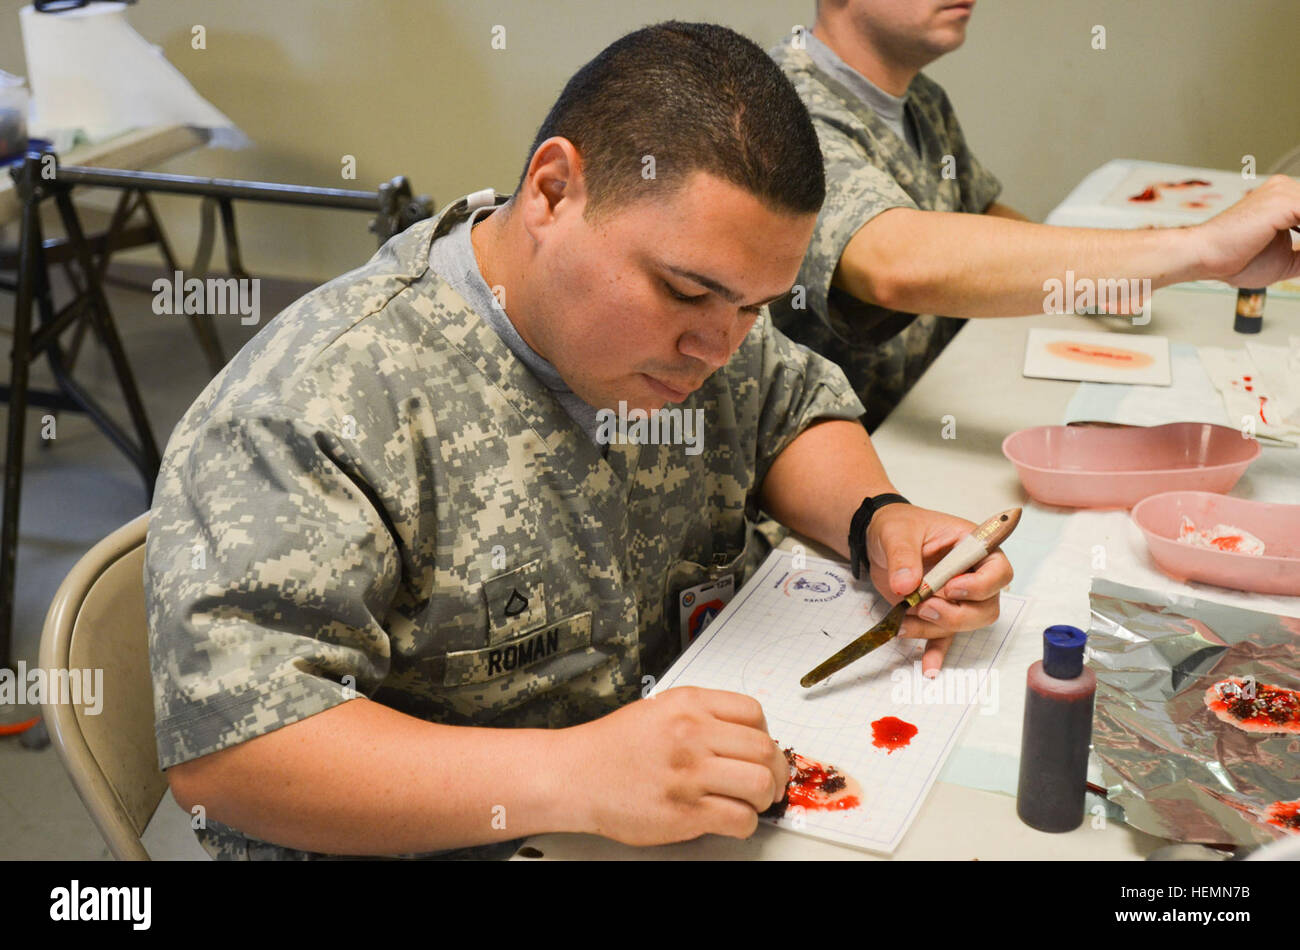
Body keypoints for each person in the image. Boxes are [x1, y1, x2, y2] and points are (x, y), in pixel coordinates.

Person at [146, 21, 1013, 860]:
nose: (717, 347)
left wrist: (877, 521)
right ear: (553, 191)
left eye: (752, 306)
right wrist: (576, 775)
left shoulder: (699, 329)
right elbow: (233, 755)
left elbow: (789, 406)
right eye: (684, 292)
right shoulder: (314, 410)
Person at [770, 0, 1300, 430]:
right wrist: (1200, 247)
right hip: (846, 458)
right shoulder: (778, 109)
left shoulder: (921, 100)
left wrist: (1116, 269)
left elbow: (978, 211)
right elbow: (893, 264)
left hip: (939, 404)